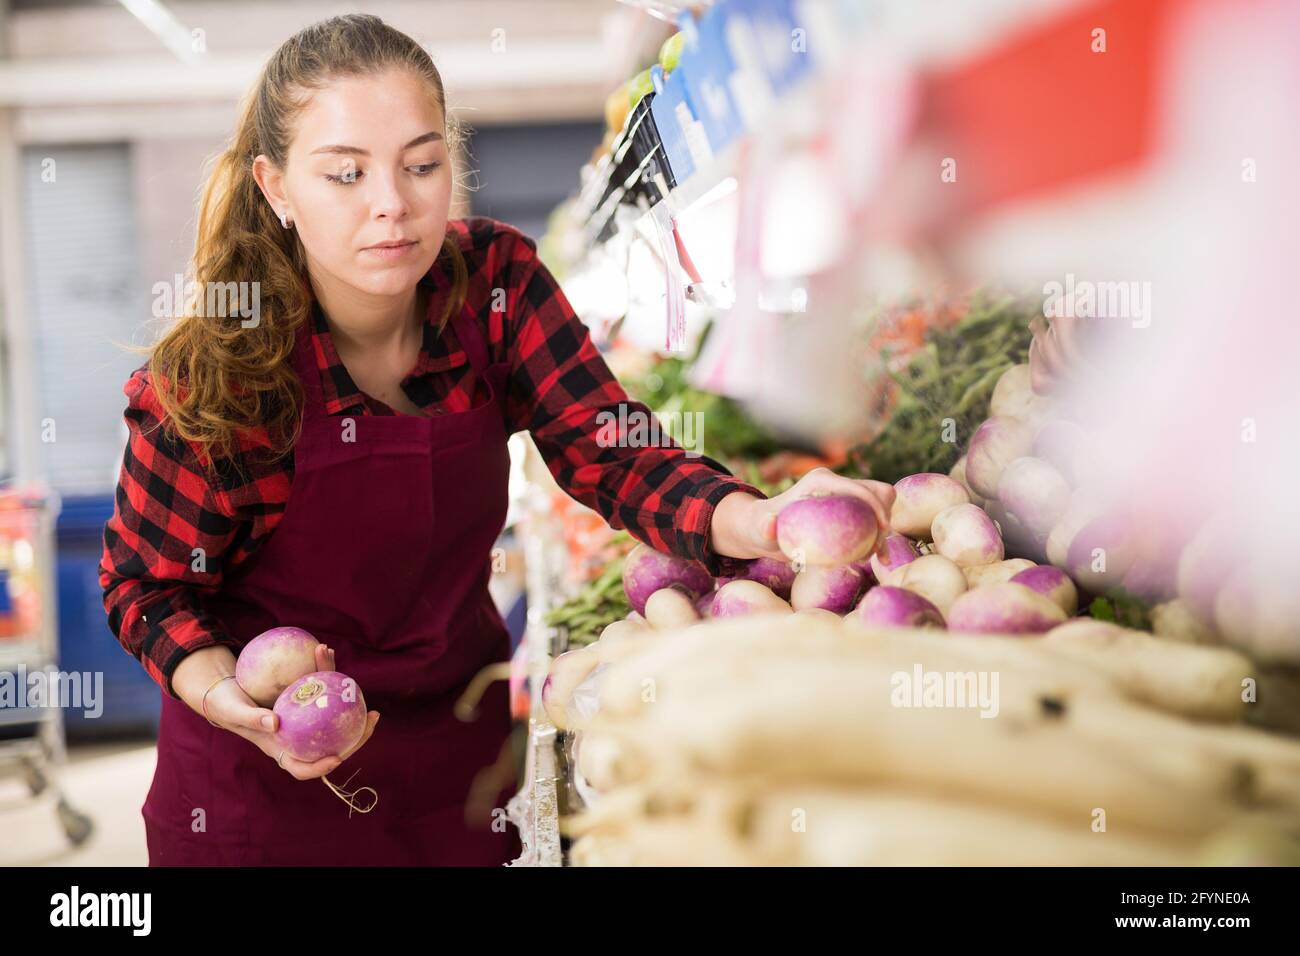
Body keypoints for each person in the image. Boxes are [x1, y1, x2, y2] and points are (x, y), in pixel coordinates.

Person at [99, 13, 894, 866]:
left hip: (455, 764)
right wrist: (230, 701)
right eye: (345, 174)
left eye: (422, 163)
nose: (392, 204)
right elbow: (145, 589)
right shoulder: (214, 380)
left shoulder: (494, 285)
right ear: (277, 186)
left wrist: (771, 523)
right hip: (263, 792)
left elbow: (617, 457)